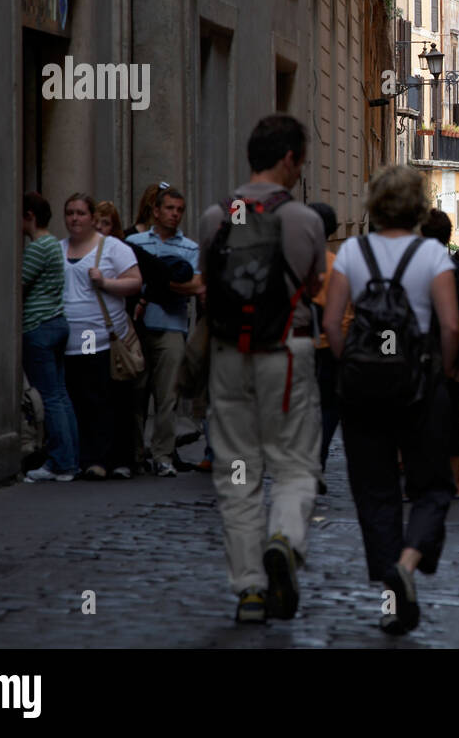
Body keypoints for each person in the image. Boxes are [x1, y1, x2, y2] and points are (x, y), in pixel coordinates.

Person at [199, 115, 328, 624]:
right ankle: (284, 538)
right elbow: (315, 284)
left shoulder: (217, 215)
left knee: (237, 470)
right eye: (302, 160)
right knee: (295, 462)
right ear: (288, 158)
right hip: (287, 352)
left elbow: (208, 280)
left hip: (229, 354)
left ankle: (249, 589)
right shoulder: (304, 220)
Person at [323, 165, 459, 635]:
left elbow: (332, 324)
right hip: (419, 385)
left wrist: (351, 367)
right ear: (418, 207)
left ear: (373, 204)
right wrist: (439, 373)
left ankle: (391, 601)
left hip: (363, 389)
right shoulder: (432, 256)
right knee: (432, 487)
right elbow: (452, 327)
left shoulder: (351, 254)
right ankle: (408, 563)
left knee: (375, 495)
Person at [60, 193, 142, 481]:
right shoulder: (59, 250)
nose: (74, 218)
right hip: (69, 340)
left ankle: (116, 459)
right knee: (82, 399)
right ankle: (91, 457)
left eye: (81, 213)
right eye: (70, 213)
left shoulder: (113, 248)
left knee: (108, 399)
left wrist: (105, 282)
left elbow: (135, 282)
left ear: (93, 218)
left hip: (103, 335)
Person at [126, 187, 203, 477]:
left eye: (179, 210)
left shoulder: (189, 248)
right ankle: (134, 454)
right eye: (169, 208)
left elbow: (195, 286)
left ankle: (163, 455)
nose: (175, 214)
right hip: (137, 328)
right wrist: (169, 282)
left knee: (167, 397)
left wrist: (156, 283)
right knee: (135, 394)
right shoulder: (134, 242)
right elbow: (127, 279)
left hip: (172, 327)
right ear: (156, 211)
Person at [21, 192, 80, 482]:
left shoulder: (38, 248)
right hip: (56, 323)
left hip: (39, 326)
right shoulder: (53, 245)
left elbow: (17, 283)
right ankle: (69, 459)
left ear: (29, 216)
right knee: (60, 395)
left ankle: (61, 462)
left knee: (51, 397)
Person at [422, 209, 459, 500]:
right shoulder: (458, 272)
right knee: (451, 415)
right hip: (450, 351)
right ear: (447, 236)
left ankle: (411, 476)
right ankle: (456, 483)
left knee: (413, 412)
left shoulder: (411, 267)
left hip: (416, 349)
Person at [308, 201, 345, 492]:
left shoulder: (285, 259)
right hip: (326, 348)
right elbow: (344, 316)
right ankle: (316, 462)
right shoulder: (335, 266)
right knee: (328, 408)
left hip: (290, 346)